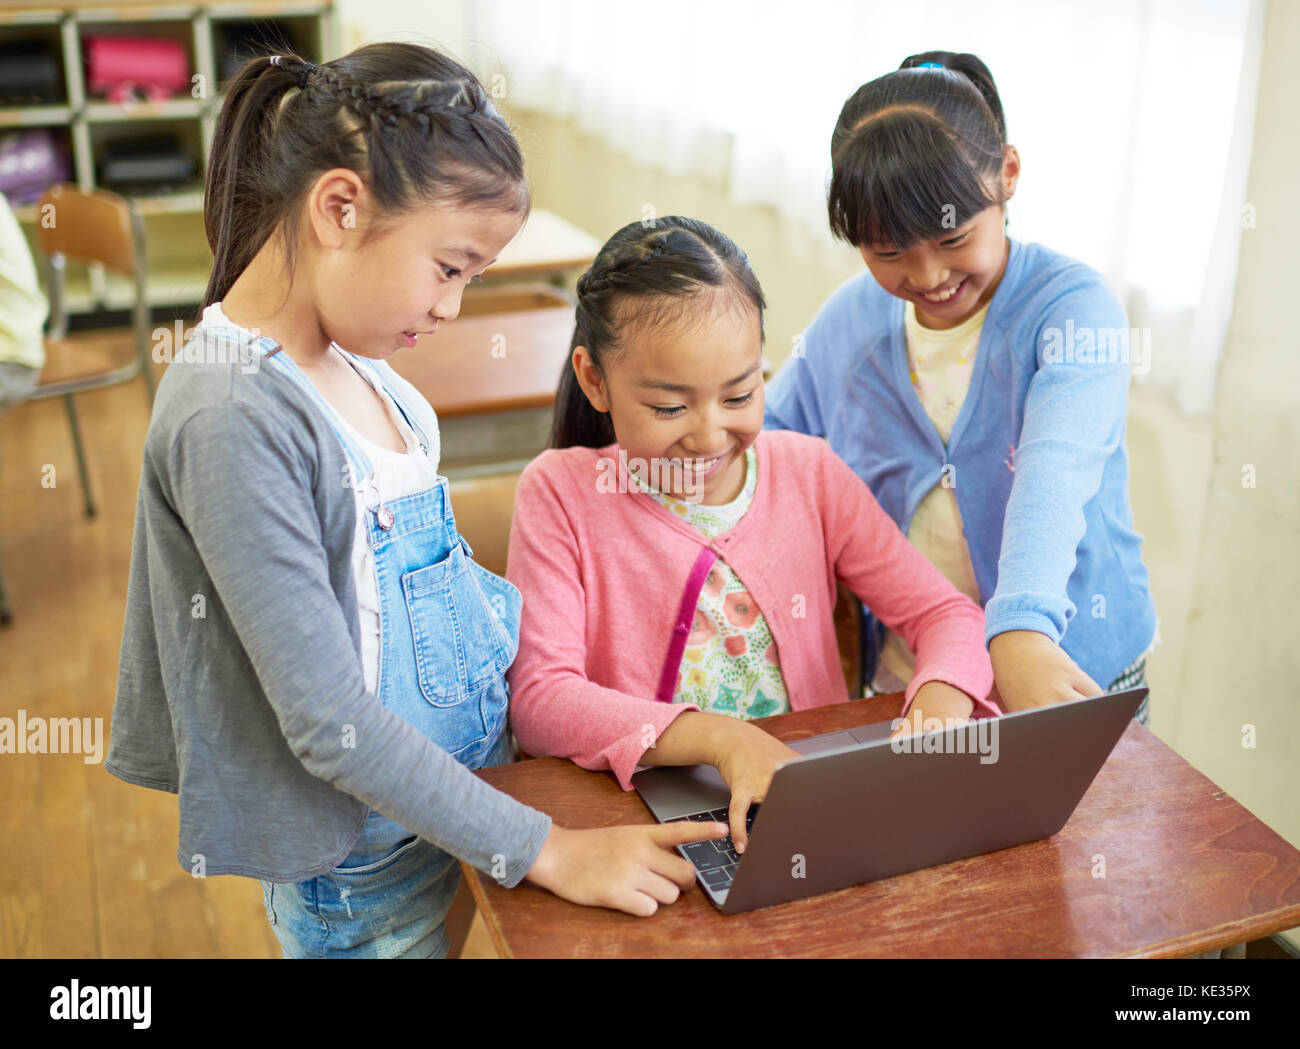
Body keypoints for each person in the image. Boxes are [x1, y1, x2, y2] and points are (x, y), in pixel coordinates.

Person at [105, 44, 727, 958]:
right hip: (370, 857)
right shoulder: (232, 412)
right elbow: (331, 723)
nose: (453, 307)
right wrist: (546, 848)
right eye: (449, 267)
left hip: (466, 800)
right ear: (339, 207)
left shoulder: (350, 346)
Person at [506, 216, 995, 852]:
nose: (709, 436)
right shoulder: (560, 493)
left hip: (801, 807)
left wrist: (941, 695)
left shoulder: (808, 473)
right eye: (669, 407)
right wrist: (721, 737)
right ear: (595, 379)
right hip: (642, 826)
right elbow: (542, 702)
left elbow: (945, 613)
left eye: (739, 395)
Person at [765, 51, 1156, 724]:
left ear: (1006, 174)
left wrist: (1023, 627)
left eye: (952, 236)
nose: (928, 274)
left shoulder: (1072, 309)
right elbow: (771, 444)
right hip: (915, 679)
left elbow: (1054, 467)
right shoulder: (852, 320)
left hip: (1062, 667)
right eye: (888, 252)